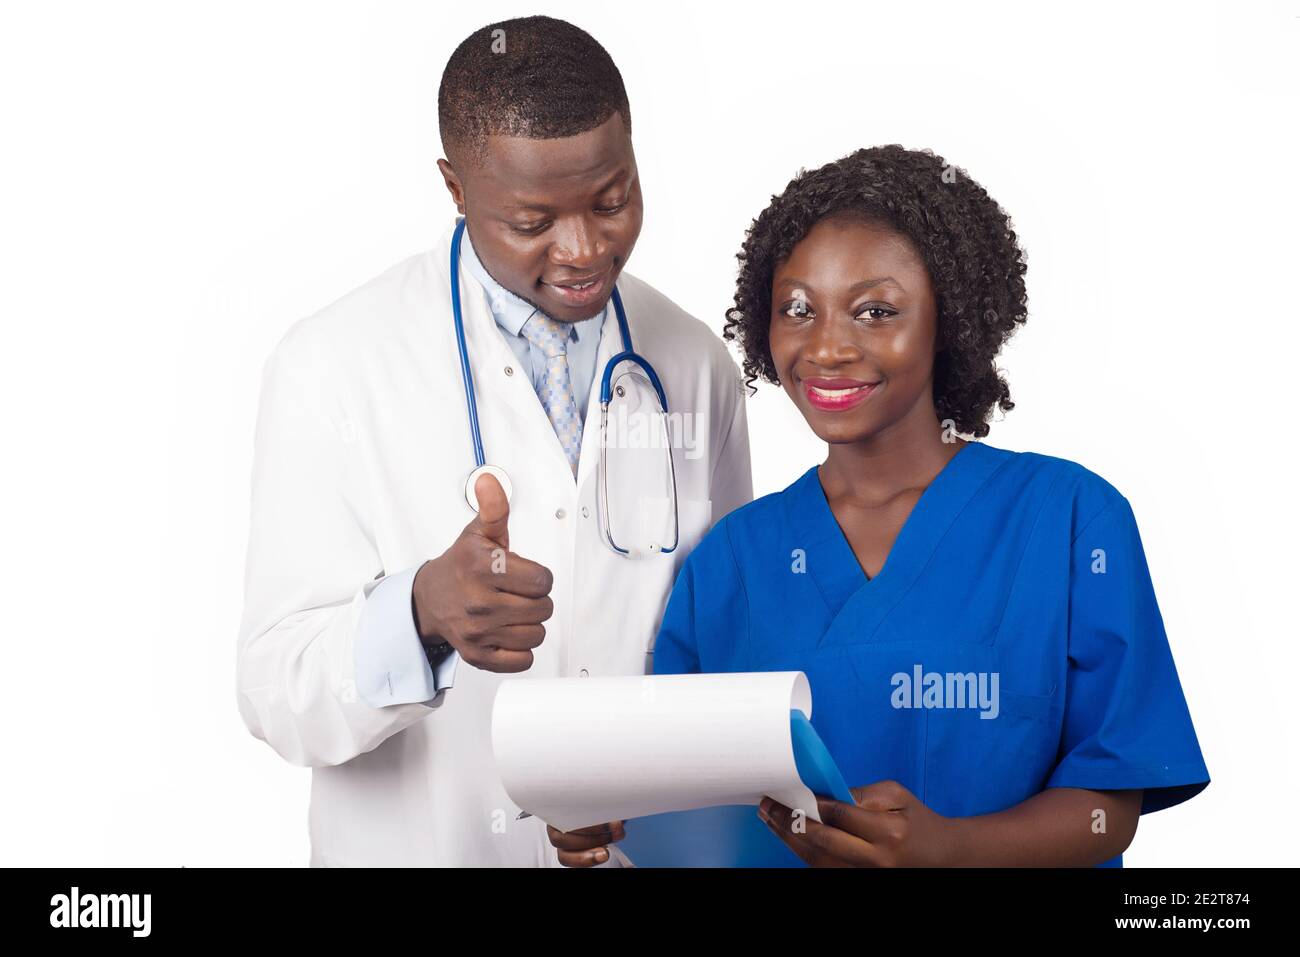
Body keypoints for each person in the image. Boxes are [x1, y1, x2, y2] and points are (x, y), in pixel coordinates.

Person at [236, 16, 751, 867]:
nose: (585, 248)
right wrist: (421, 613)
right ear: (455, 185)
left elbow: (726, 650)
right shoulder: (330, 366)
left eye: (612, 200)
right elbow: (273, 689)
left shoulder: (692, 359)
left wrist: (635, 785)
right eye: (532, 219)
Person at [652, 145, 1209, 867]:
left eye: (874, 310)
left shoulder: (1070, 519)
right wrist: (598, 822)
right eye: (798, 309)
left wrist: (952, 848)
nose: (825, 347)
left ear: (951, 319)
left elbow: (1112, 801)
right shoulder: (729, 558)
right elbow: (669, 789)